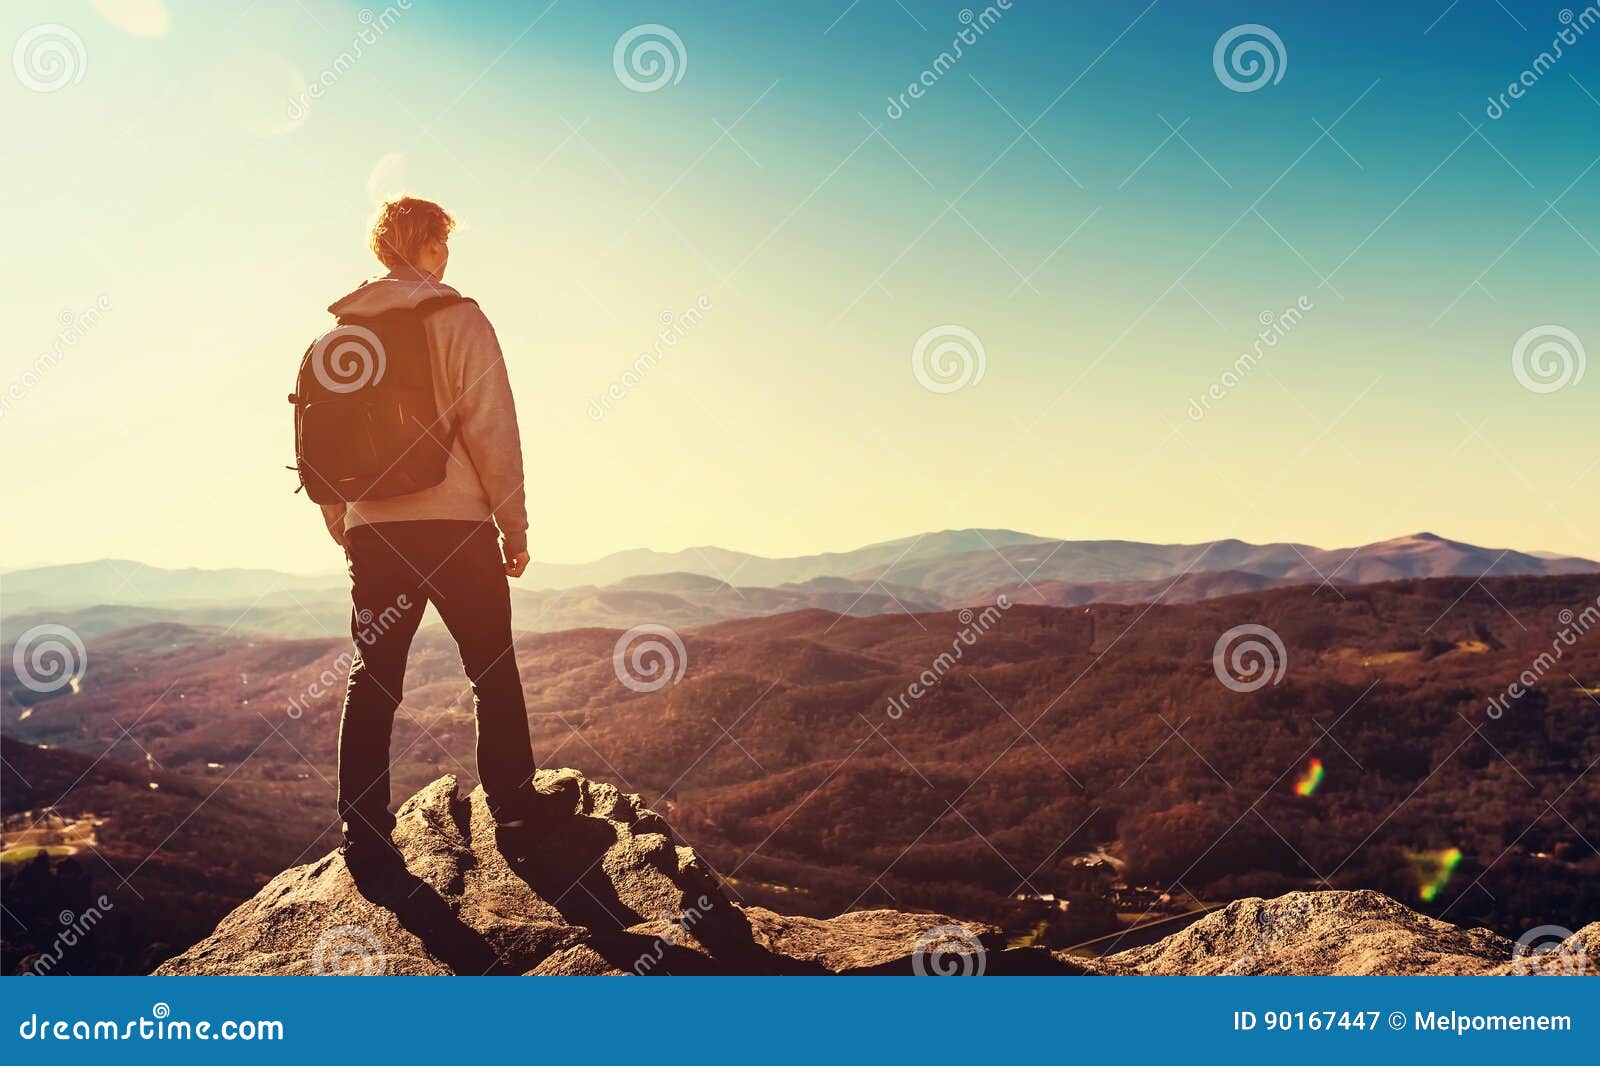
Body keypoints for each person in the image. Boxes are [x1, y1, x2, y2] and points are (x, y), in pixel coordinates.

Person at [316, 196, 550, 876]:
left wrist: (348, 523)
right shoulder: (458, 318)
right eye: (440, 242)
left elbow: (319, 445)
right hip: (457, 527)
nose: (446, 255)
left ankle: (363, 831)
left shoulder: (337, 337)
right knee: (490, 668)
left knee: (374, 677)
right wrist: (514, 524)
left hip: (375, 536)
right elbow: (492, 426)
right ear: (425, 247)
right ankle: (511, 806)